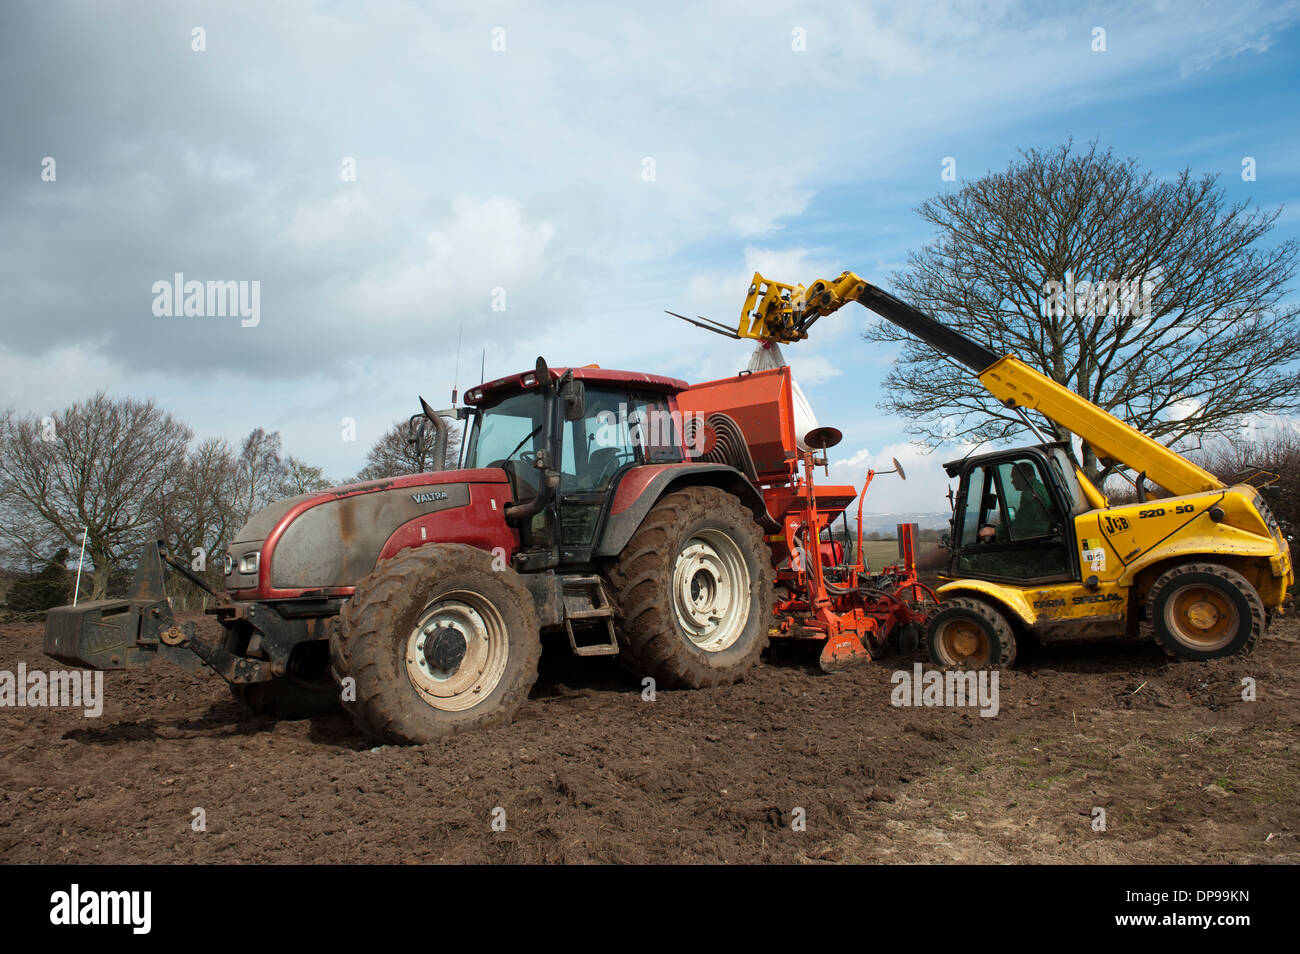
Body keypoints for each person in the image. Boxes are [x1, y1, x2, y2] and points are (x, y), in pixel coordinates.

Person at [1008, 462, 1054, 538]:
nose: (1012, 482)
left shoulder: (1030, 494)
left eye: (1014, 477)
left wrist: (995, 531)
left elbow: (1020, 525)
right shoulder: (1041, 488)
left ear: (1022, 476)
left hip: (1038, 537)